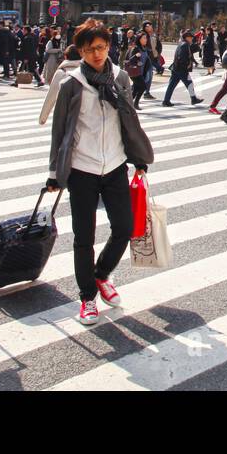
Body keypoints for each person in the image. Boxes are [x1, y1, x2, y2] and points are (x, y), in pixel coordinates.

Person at [45, 20, 153, 327]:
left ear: (109, 47)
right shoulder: (71, 84)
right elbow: (59, 131)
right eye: (90, 49)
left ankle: (102, 274)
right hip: (82, 168)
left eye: (102, 47)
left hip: (116, 164)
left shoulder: (119, 78)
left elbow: (129, 122)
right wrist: (54, 173)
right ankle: (87, 297)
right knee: (84, 236)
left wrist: (138, 159)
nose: (97, 54)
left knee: (124, 226)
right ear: (80, 51)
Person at [161, 29, 204, 107]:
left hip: (176, 68)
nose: (192, 39)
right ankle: (193, 99)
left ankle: (166, 101)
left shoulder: (183, 44)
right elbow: (181, 57)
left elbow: (192, 50)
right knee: (189, 83)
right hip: (181, 69)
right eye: (191, 37)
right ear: (187, 37)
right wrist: (186, 64)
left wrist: (198, 46)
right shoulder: (184, 45)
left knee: (172, 85)